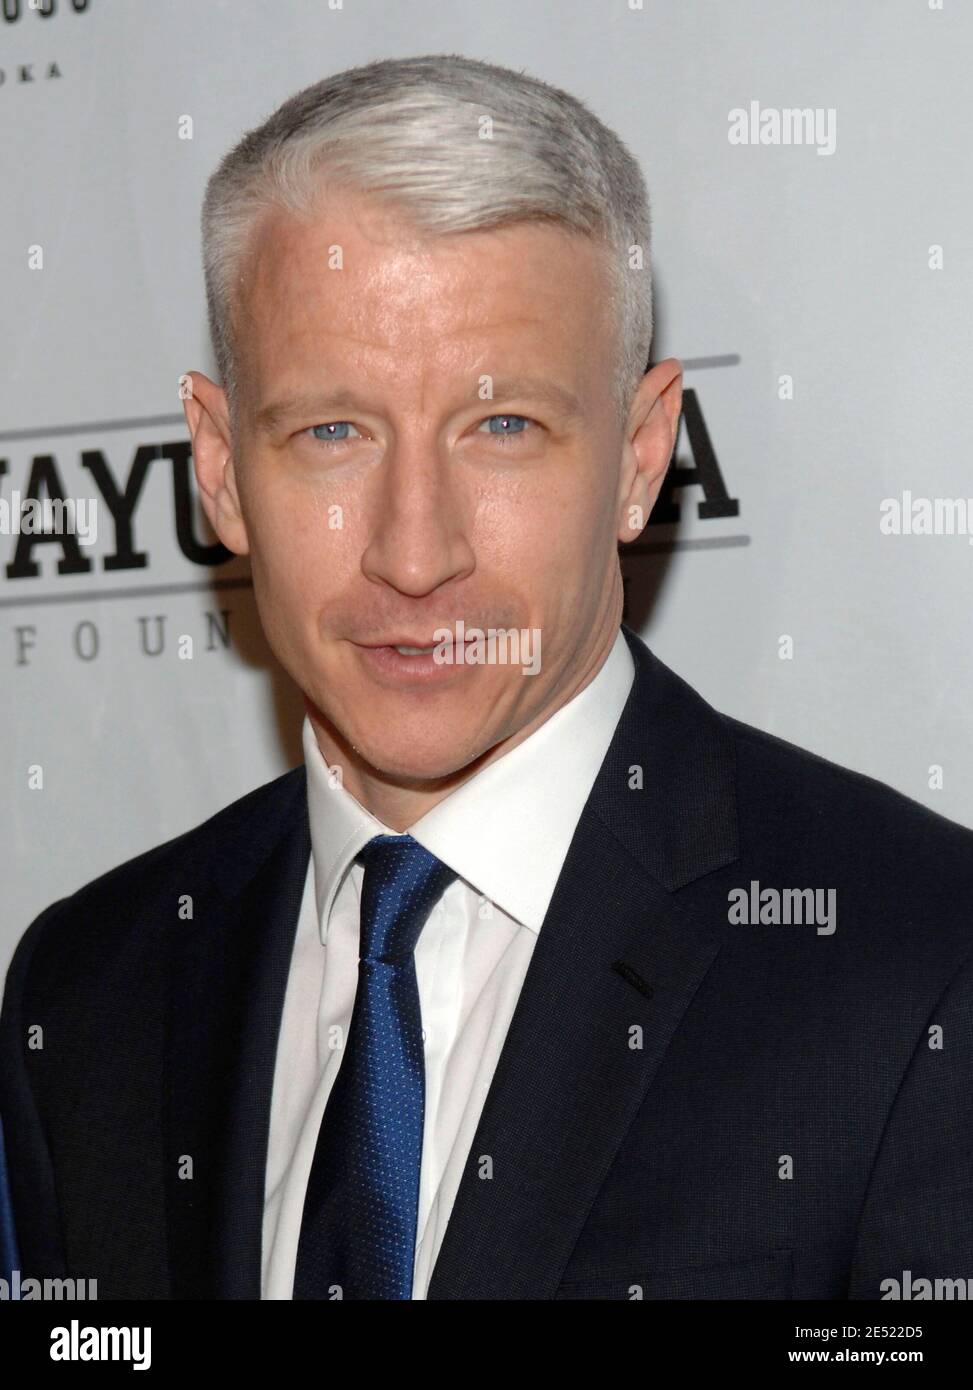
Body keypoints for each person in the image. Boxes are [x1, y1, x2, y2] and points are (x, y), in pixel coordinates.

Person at [3, 53, 973, 1302]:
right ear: (219, 469)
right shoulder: (88, 992)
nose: (416, 553)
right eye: (332, 432)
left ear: (638, 457)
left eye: (502, 427)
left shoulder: (919, 966)